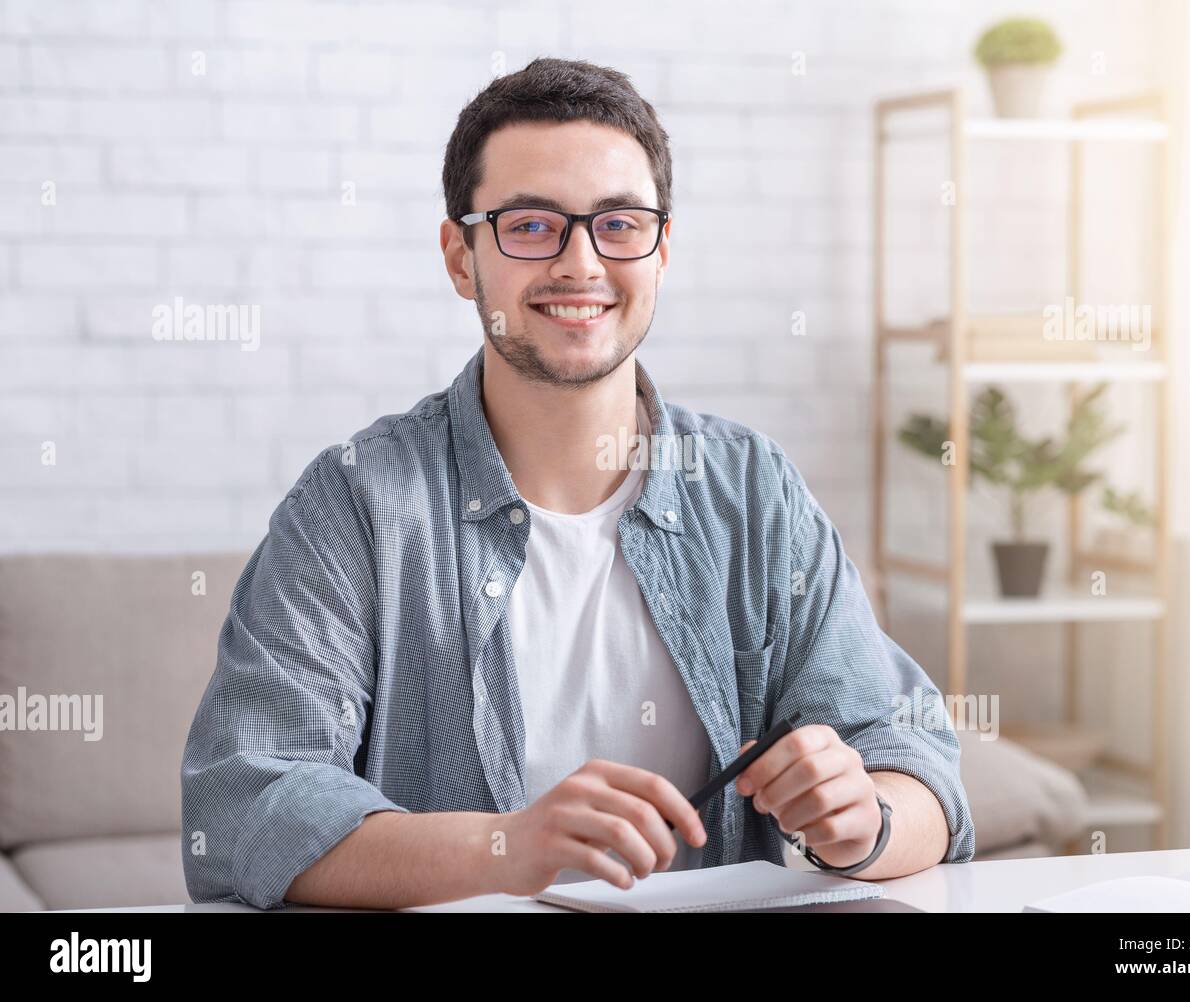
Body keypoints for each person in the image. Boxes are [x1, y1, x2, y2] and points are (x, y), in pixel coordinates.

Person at [180, 56, 975, 911]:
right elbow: (243, 808)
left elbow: (914, 761)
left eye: (620, 225)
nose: (581, 263)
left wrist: (870, 824)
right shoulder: (356, 506)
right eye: (530, 225)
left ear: (661, 249)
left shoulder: (752, 491)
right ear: (461, 256)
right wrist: (507, 847)